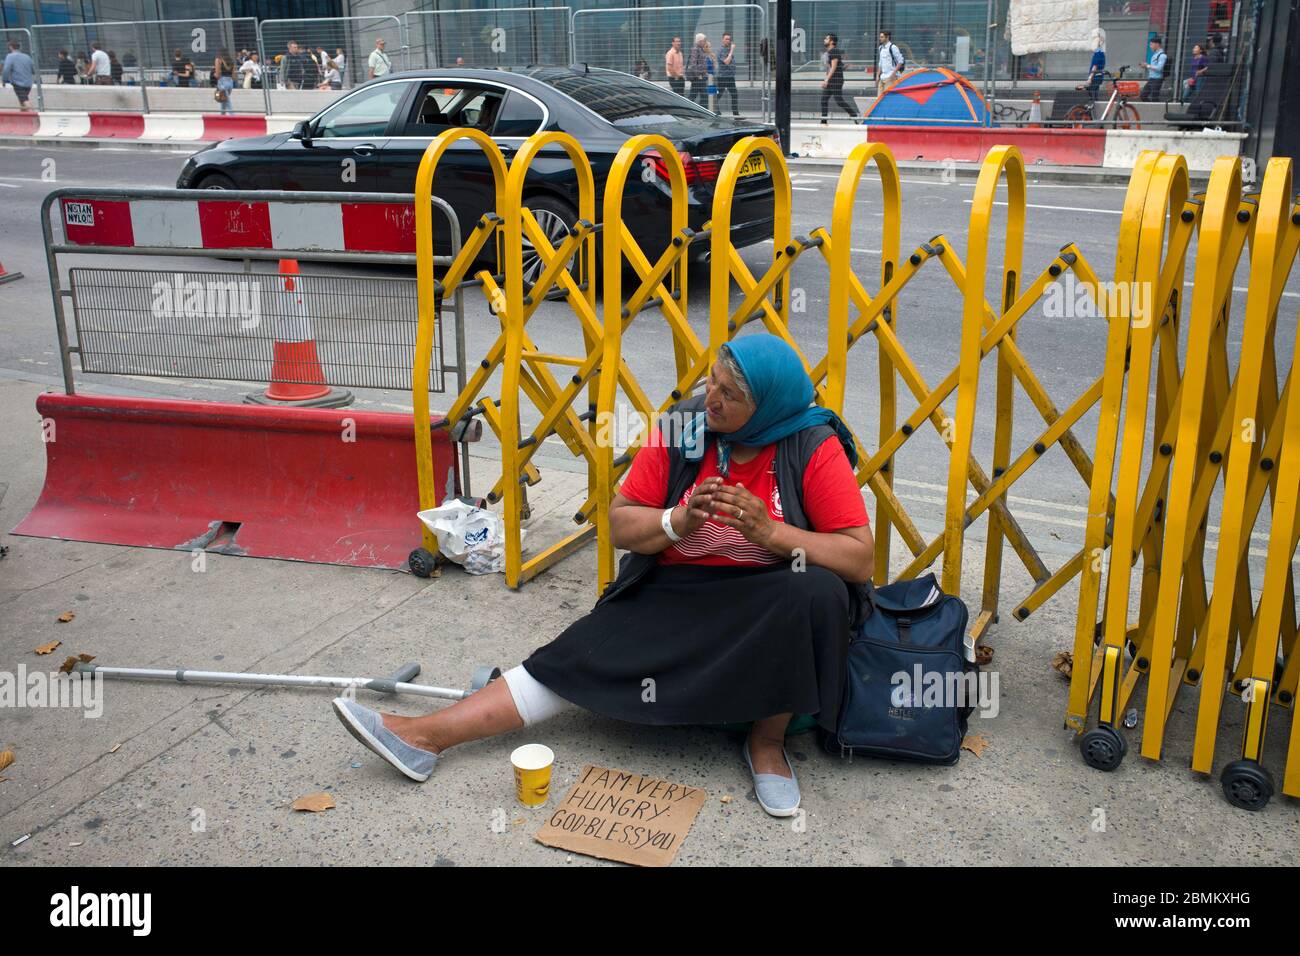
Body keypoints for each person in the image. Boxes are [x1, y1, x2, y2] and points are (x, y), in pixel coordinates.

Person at [331, 334, 875, 819]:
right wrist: (678, 520)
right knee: (570, 661)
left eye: (731, 395)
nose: (712, 398)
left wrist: (771, 533)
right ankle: (425, 738)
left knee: (817, 588)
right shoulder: (686, 429)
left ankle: (767, 742)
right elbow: (619, 523)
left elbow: (859, 558)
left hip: (765, 603)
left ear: (768, 407)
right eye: (713, 379)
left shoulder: (809, 445)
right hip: (677, 596)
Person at [820, 33, 856, 124]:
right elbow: (836, 66)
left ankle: (854, 115)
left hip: (836, 80)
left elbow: (833, 67)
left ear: (831, 41)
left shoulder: (834, 51)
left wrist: (826, 80)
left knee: (839, 101)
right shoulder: (830, 52)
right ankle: (824, 121)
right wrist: (844, 67)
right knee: (824, 100)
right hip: (832, 79)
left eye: (826, 38)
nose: (824, 40)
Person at [2, 41, 35, 111]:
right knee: (22, 101)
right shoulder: (27, 56)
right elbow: (33, 70)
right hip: (28, 84)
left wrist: (4, 80)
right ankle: (23, 118)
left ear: (10, 47)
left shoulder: (10, 56)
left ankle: (34, 116)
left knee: (25, 100)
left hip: (18, 83)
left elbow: (6, 69)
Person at [716, 32, 740, 116]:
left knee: (734, 94)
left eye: (729, 39)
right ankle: (715, 111)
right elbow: (726, 61)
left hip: (730, 77)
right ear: (722, 40)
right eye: (726, 39)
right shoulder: (720, 50)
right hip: (722, 77)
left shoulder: (729, 49)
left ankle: (736, 114)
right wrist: (732, 50)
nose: (728, 41)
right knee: (718, 95)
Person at [1140, 35, 1167, 101]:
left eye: (1151, 44)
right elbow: (1153, 67)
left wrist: (1147, 66)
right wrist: (1146, 66)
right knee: (1143, 95)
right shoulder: (1155, 55)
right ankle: (1151, 107)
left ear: (1157, 44)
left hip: (1157, 80)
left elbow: (1159, 68)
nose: (1150, 46)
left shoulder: (1162, 55)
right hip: (1151, 79)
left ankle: (1158, 109)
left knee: (1154, 98)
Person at [686, 33, 709, 105]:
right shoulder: (695, 49)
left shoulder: (701, 49)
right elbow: (693, 64)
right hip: (698, 78)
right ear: (699, 41)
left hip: (701, 77)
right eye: (704, 41)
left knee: (701, 96)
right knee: (698, 96)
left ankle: (700, 112)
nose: (705, 42)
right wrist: (699, 74)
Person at [1085, 27, 1106, 97]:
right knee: (1094, 95)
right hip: (1098, 77)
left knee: (1092, 96)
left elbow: (1095, 66)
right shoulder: (1100, 52)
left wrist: (1089, 79)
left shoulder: (1098, 52)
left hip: (1095, 78)